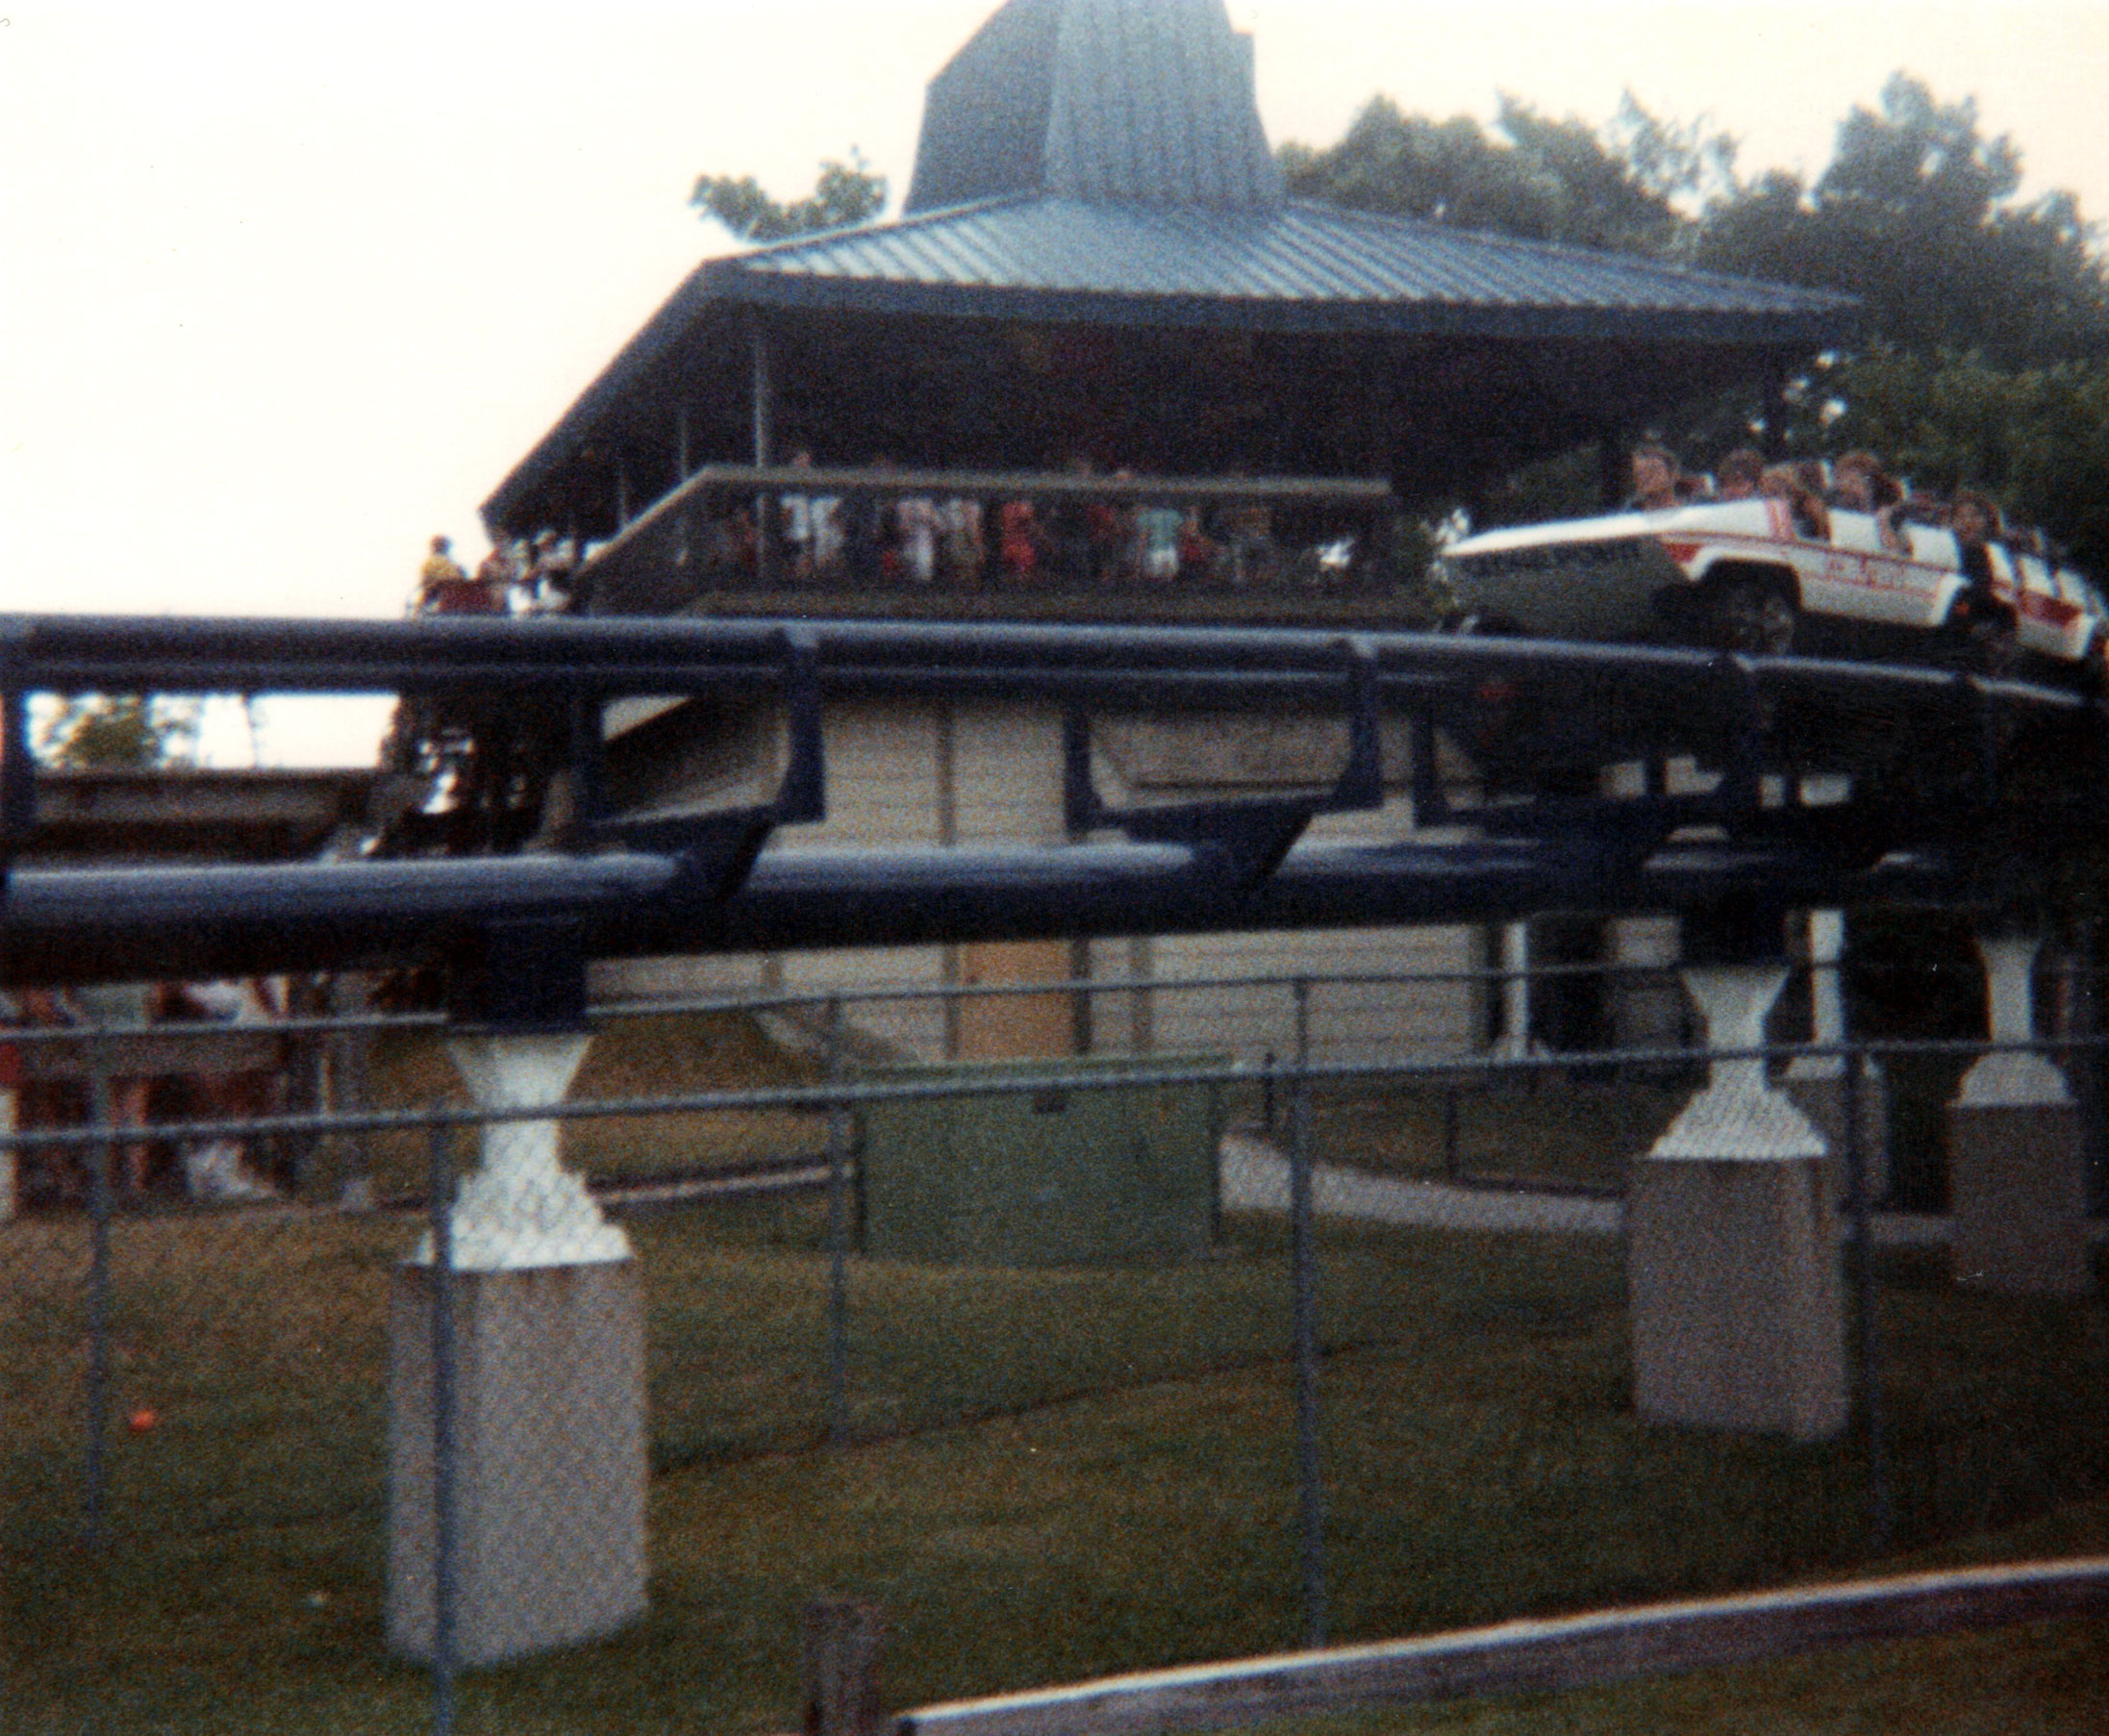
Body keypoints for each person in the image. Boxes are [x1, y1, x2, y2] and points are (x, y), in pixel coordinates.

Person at [1624, 443, 1682, 513]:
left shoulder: (1691, 514)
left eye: (1652, 469)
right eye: (1640, 473)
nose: (1647, 477)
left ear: (1673, 474)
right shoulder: (1629, 518)